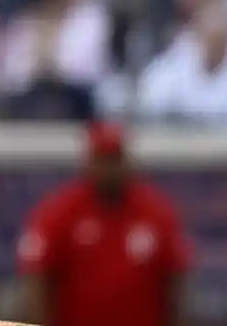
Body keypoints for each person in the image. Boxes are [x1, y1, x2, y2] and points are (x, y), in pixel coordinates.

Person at [17, 123, 191, 326]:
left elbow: (176, 280)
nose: (109, 169)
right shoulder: (60, 210)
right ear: (89, 162)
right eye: (102, 160)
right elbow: (36, 276)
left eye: (114, 160)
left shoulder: (156, 211)